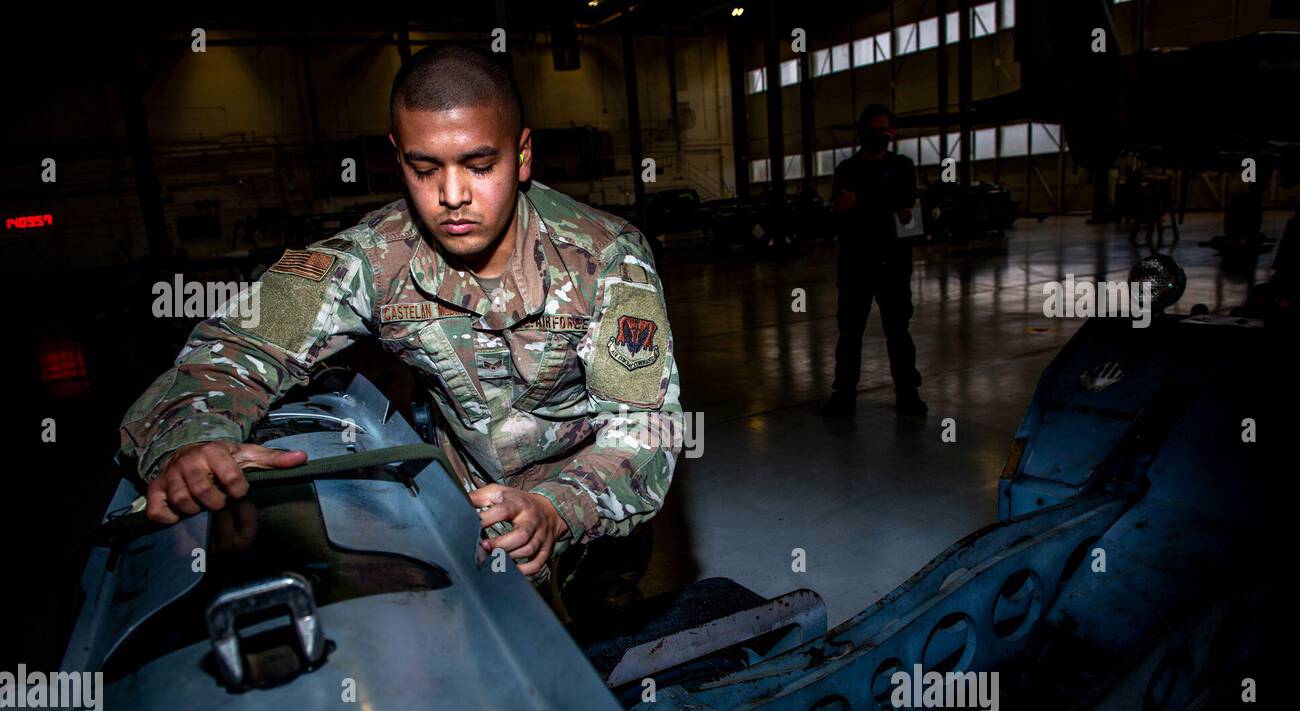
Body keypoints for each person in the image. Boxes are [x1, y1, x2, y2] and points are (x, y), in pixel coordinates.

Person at [118, 42, 681, 619]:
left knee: (608, 637)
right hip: (471, 514)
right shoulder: (371, 257)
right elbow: (235, 345)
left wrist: (558, 509)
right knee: (500, 643)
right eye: (425, 169)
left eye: (480, 166)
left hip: (598, 503)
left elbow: (644, 426)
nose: (453, 196)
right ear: (398, 158)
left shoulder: (606, 258)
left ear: (523, 154)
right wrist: (192, 440)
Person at [821, 103, 926, 418]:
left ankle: (908, 395)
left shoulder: (903, 166)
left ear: (891, 132)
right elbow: (838, 212)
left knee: (898, 332)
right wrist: (871, 205)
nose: (878, 135)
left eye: (883, 129)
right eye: (872, 129)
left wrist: (864, 204)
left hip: (893, 265)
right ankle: (843, 396)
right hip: (856, 265)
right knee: (850, 333)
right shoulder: (847, 169)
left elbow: (908, 211)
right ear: (862, 131)